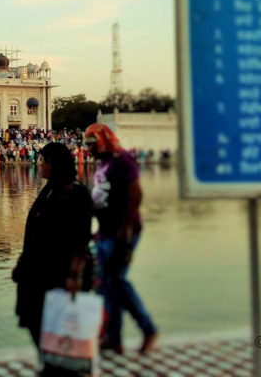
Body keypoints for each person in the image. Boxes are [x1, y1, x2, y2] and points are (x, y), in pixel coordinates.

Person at [83, 123, 158, 355]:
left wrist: (125, 230)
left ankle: (148, 329)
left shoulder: (122, 160)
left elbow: (135, 194)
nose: (89, 149)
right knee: (107, 284)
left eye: (92, 144)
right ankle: (114, 337)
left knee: (116, 281)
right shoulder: (104, 162)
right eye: (87, 145)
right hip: (106, 231)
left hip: (122, 232)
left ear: (103, 141)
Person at [12, 142, 92, 351]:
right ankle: (51, 366)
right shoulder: (50, 190)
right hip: (37, 274)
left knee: (57, 331)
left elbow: (81, 239)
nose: (40, 166)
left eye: (43, 161)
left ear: (54, 164)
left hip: (58, 275)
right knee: (37, 325)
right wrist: (22, 263)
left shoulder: (76, 193)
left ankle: (58, 368)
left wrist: (74, 276)